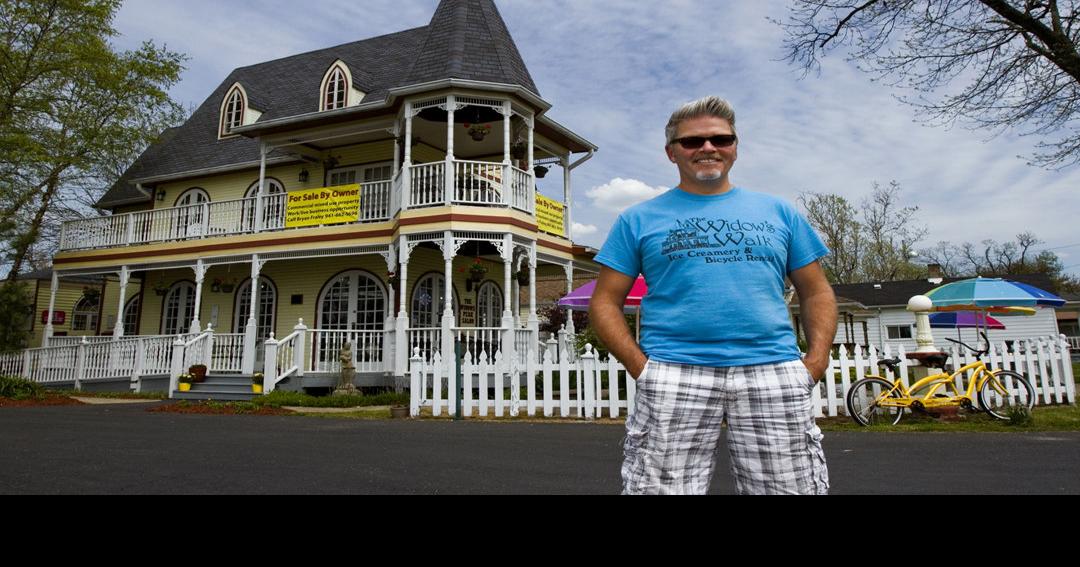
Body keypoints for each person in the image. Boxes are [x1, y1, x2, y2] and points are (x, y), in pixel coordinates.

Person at [590, 96, 837, 495]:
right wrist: (643, 368)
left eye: (721, 139)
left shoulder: (779, 212)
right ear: (672, 152)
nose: (708, 148)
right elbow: (604, 301)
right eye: (692, 141)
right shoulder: (637, 219)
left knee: (789, 490)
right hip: (674, 370)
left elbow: (817, 290)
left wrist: (816, 360)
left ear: (735, 147)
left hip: (772, 369)